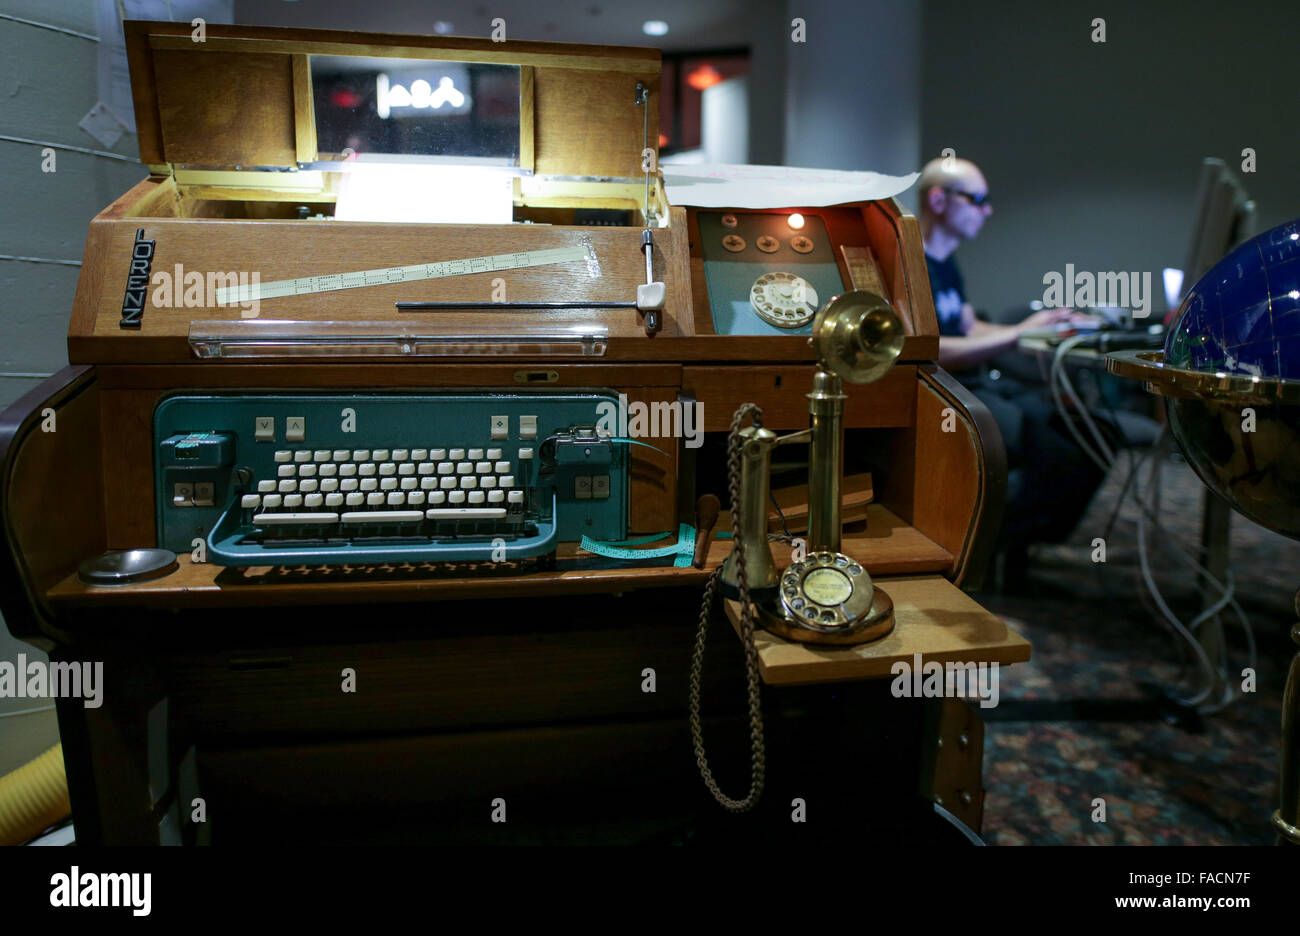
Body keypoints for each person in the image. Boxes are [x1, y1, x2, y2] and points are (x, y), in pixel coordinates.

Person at [918, 155, 1105, 588]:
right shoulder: (915, 262)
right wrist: (1018, 333)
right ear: (939, 199)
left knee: (1084, 432)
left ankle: (1013, 547)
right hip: (943, 391)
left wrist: (1033, 329)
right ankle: (987, 555)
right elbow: (933, 349)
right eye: (977, 199)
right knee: (1049, 443)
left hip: (973, 381)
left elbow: (967, 326)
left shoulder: (946, 261)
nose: (987, 210)